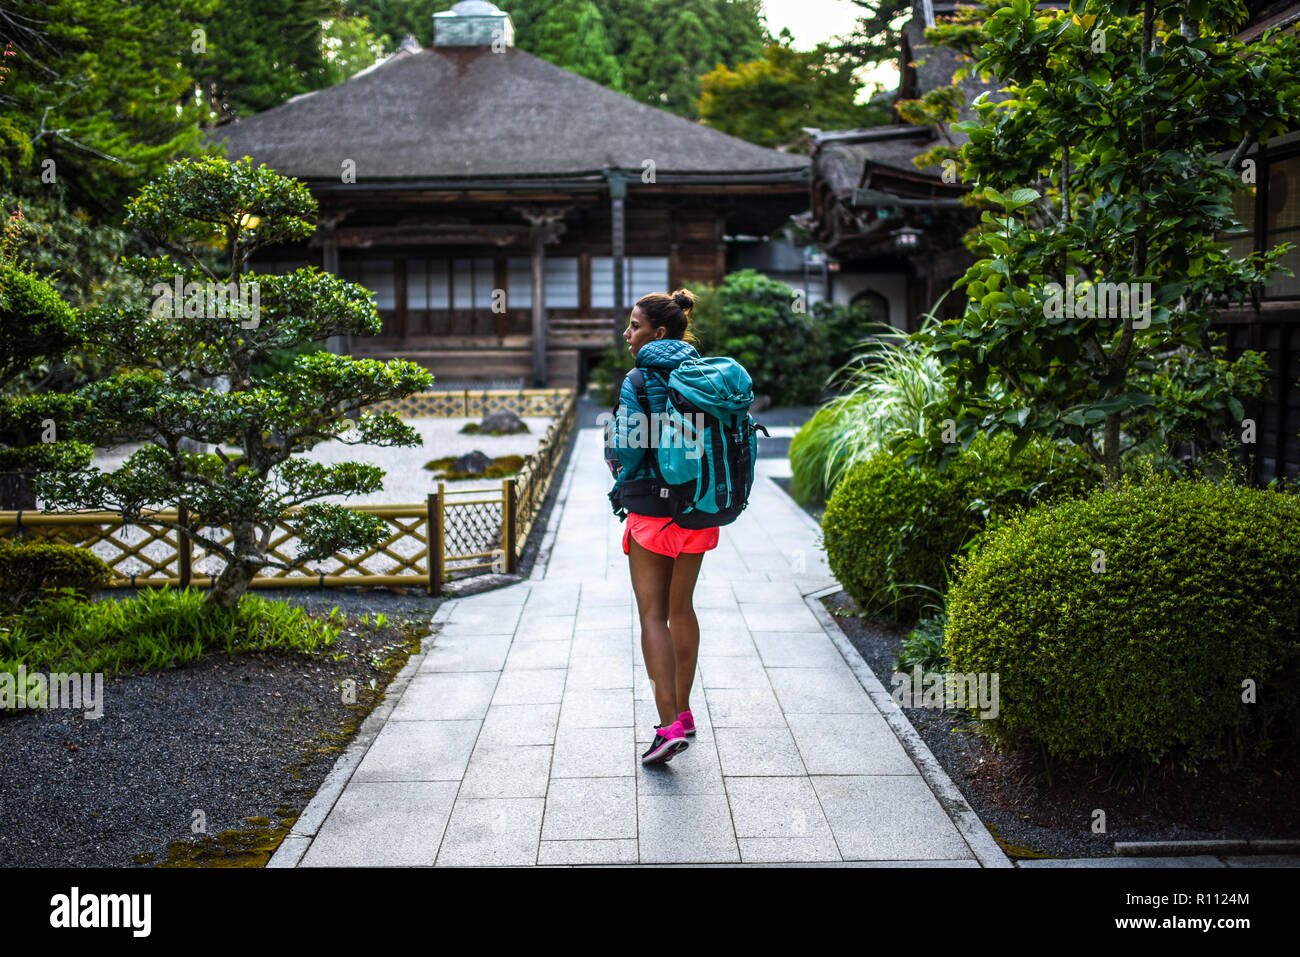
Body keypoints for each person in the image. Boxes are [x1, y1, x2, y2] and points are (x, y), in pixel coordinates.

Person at [607, 289, 718, 765]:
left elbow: (629, 450)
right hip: (699, 509)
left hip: (652, 511)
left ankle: (668, 725)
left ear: (659, 331)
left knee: (653, 616)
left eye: (634, 325)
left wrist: (616, 464)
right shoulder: (705, 374)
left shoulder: (638, 379)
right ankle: (685, 713)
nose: (627, 334)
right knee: (682, 610)